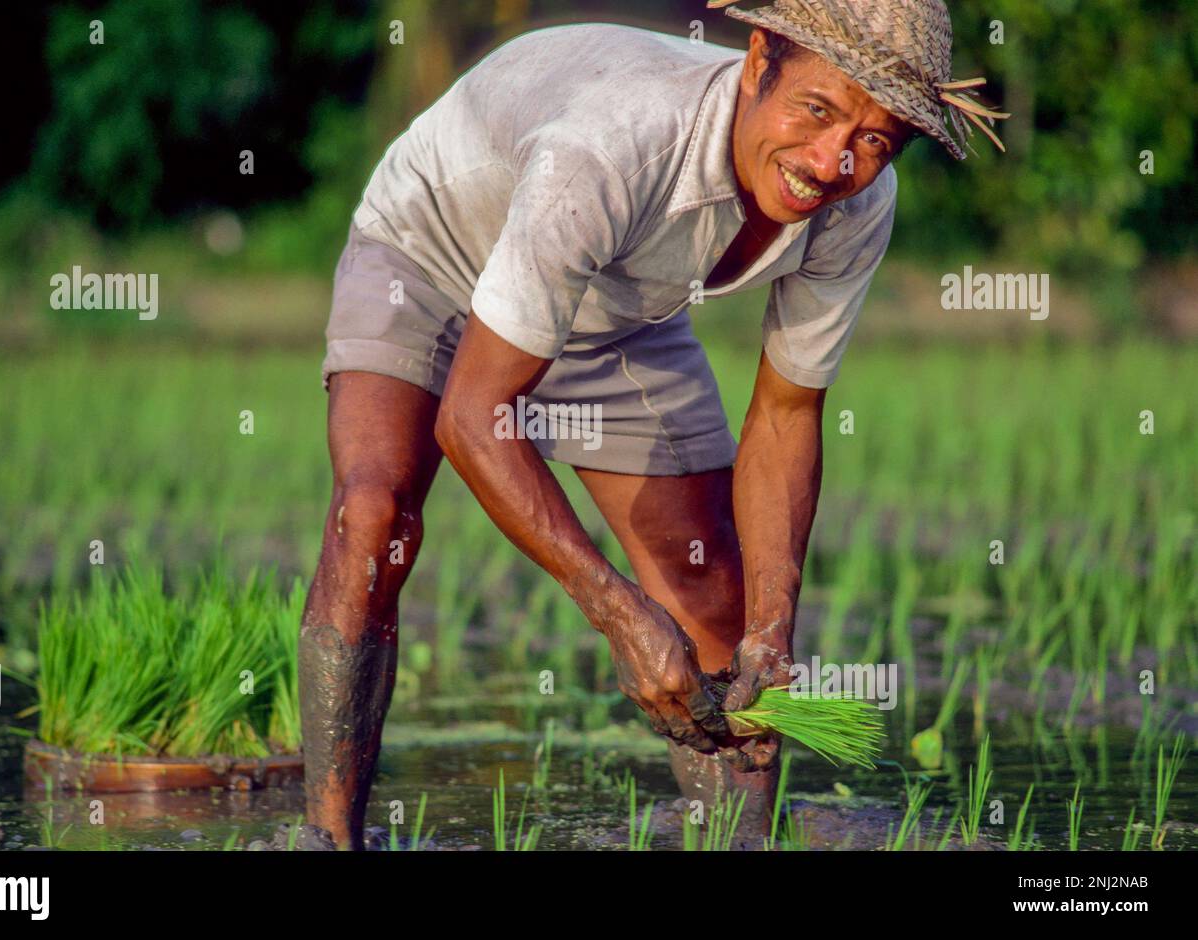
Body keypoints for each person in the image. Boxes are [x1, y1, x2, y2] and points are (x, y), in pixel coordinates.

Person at [300, 0, 1007, 850]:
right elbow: (475, 418)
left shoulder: (858, 205)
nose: (832, 162)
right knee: (374, 516)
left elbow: (785, 415)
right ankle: (327, 839)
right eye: (817, 111)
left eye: (875, 139)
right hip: (434, 254)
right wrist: (617, 612)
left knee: (712, 591)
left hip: (614, 303)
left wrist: (769, 631)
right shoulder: (611, 148)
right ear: (758, 64)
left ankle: (737, 841)